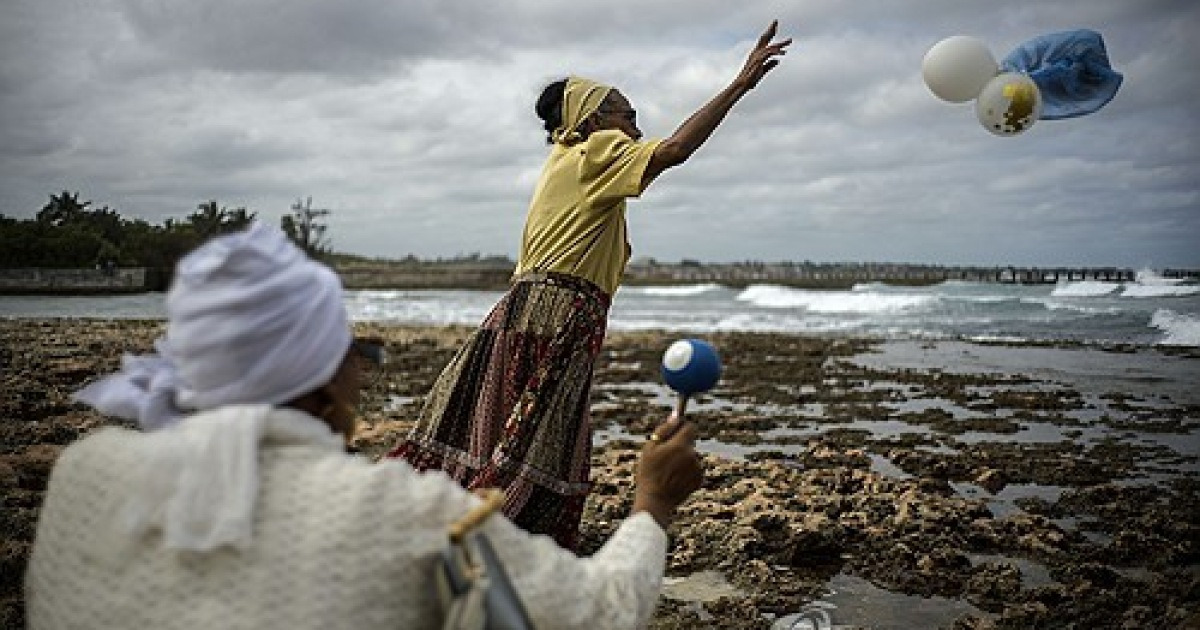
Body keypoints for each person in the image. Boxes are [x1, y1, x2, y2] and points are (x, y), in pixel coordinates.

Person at [24, 223, 704, 629]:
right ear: (321, 379)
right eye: (357, 352)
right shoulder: (401, 513)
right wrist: (652, 504)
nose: (365, 371)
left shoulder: (84, 475)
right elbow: (602, 611)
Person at [388, 20, 791, 549]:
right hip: (561, 311)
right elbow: (674, 151)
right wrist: (738, 85)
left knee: (492, 424)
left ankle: (458, 518)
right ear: (593, 119)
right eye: (626, 112)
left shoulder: (563, 160)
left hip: (525, 305)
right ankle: (499, 534)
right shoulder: (596, 149)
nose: (635, 121)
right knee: (539, 430)